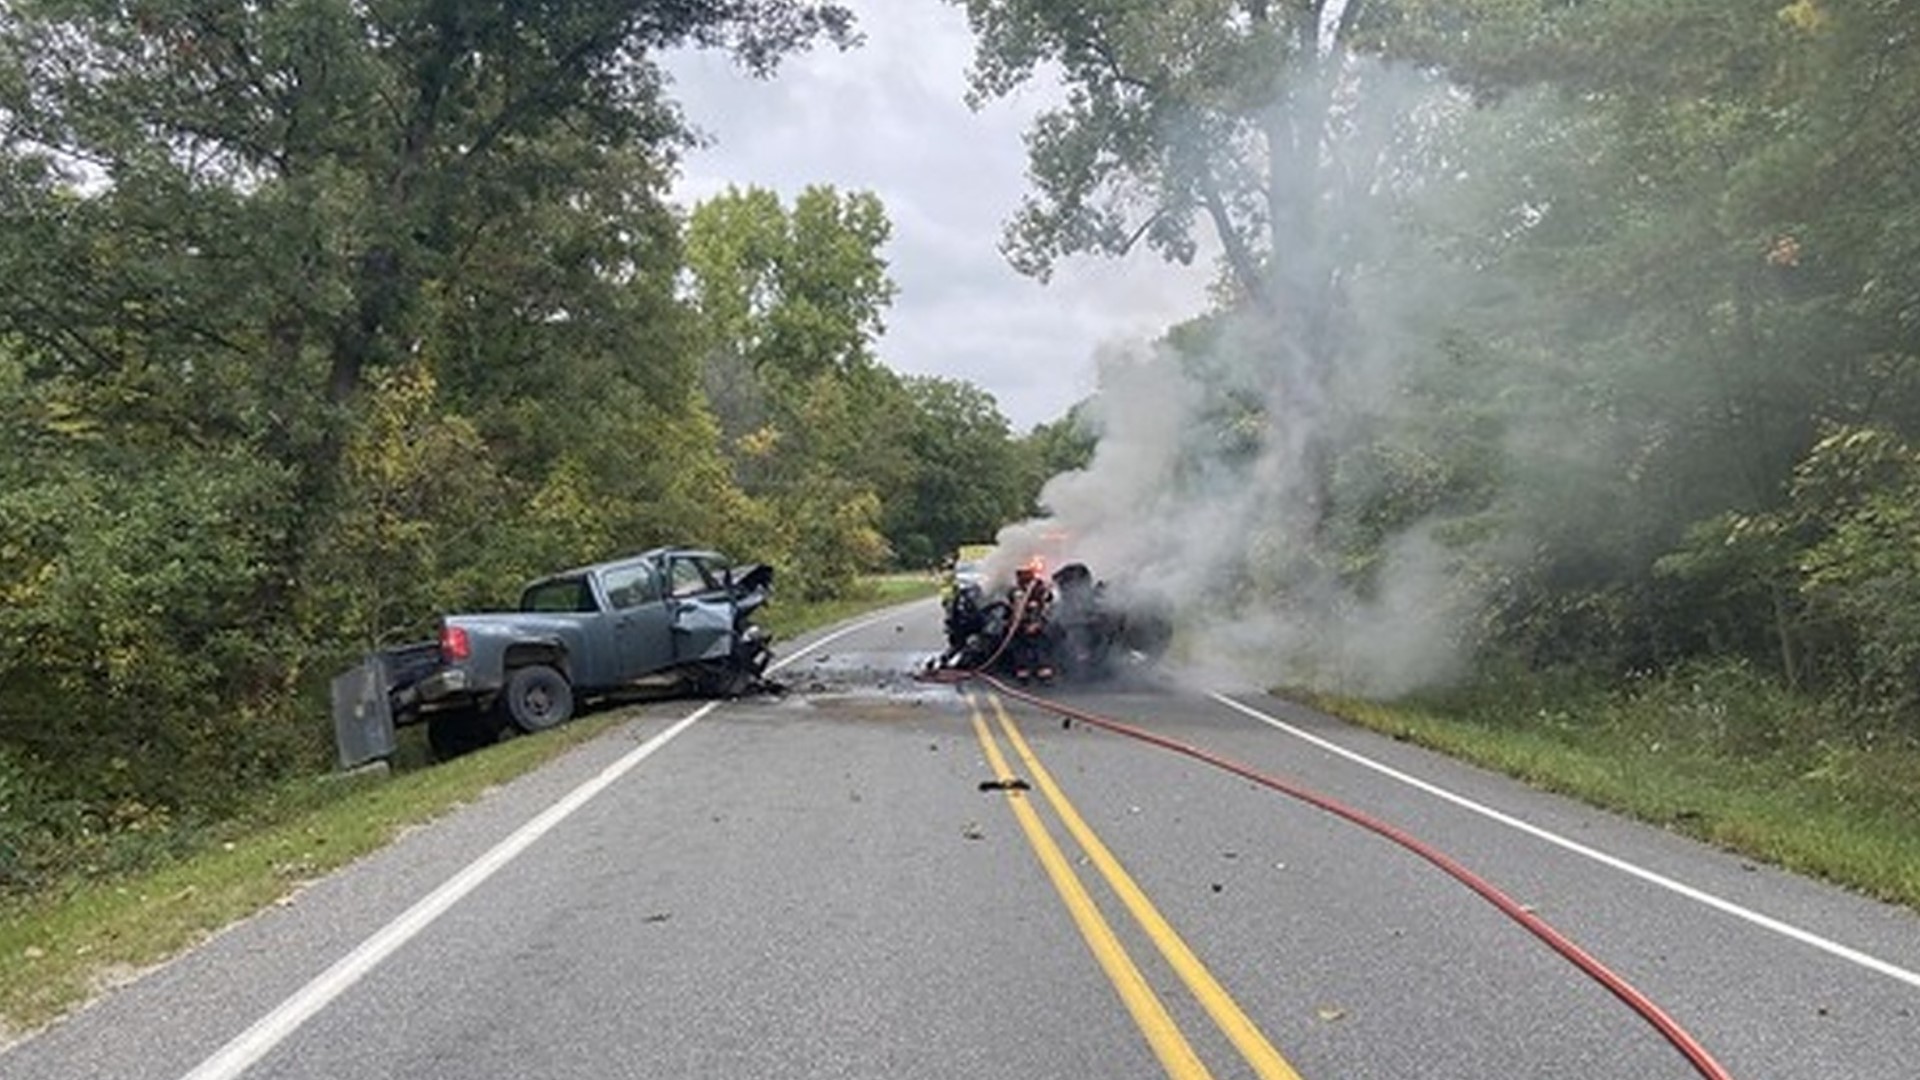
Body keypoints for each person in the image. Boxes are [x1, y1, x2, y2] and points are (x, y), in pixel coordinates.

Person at [1007, 560, 1055, 683]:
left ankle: (1041, 670)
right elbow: (1017, 610)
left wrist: (1037, 623)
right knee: (1021, 645)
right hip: (1020, 625)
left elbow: (1046, 604)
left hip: (1034, 624)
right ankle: (1025, 670)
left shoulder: (1039, 591)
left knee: (1040, 643)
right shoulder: (1017, 592)